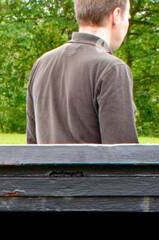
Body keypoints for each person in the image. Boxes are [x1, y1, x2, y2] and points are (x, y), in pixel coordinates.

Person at [26, 0, 138, 145]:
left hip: (48, 168)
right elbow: (123, 155)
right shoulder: (112, 69)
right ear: (116, 15)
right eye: (127, 18)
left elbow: (31, 146)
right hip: (90, 168)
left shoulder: (42, 64)